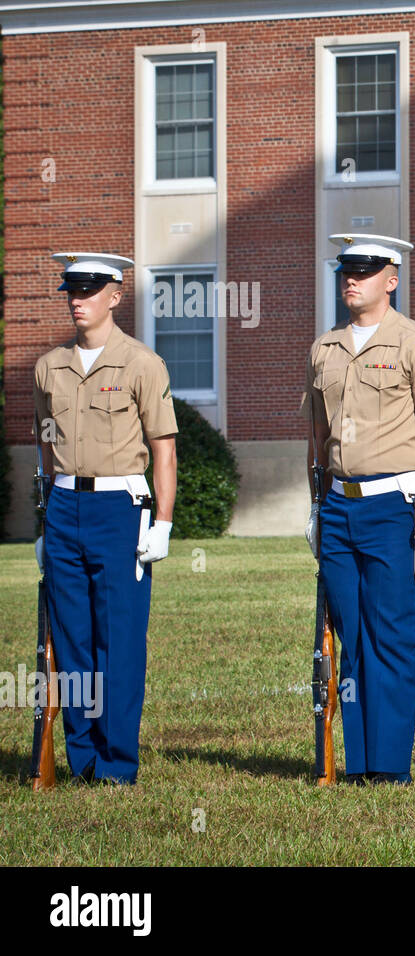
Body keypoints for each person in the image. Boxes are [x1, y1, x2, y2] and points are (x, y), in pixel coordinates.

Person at [302, 234, 415, 785]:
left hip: (395, 505)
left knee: (391, 635)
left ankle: (389, 766)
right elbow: (317, 437)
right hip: (340, 507)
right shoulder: (325, 349)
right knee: (350, 637)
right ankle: (358, 762)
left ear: (391, 279)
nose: (352, 278)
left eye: (365, 271)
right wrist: (316, 506)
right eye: (346, 269)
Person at [33, 252, 178, 785]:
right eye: (71, 289)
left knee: (117, 637)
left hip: (120, 509)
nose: (78, 298)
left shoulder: (142, 363)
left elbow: (164, 449)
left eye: (90, 289)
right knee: (71, 639)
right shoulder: (49, 367)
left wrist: (161, 523)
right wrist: (44, 524)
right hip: (66, 506)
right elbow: (46, 449)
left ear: (116, 295)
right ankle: (82, 759)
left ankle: (116, 762)